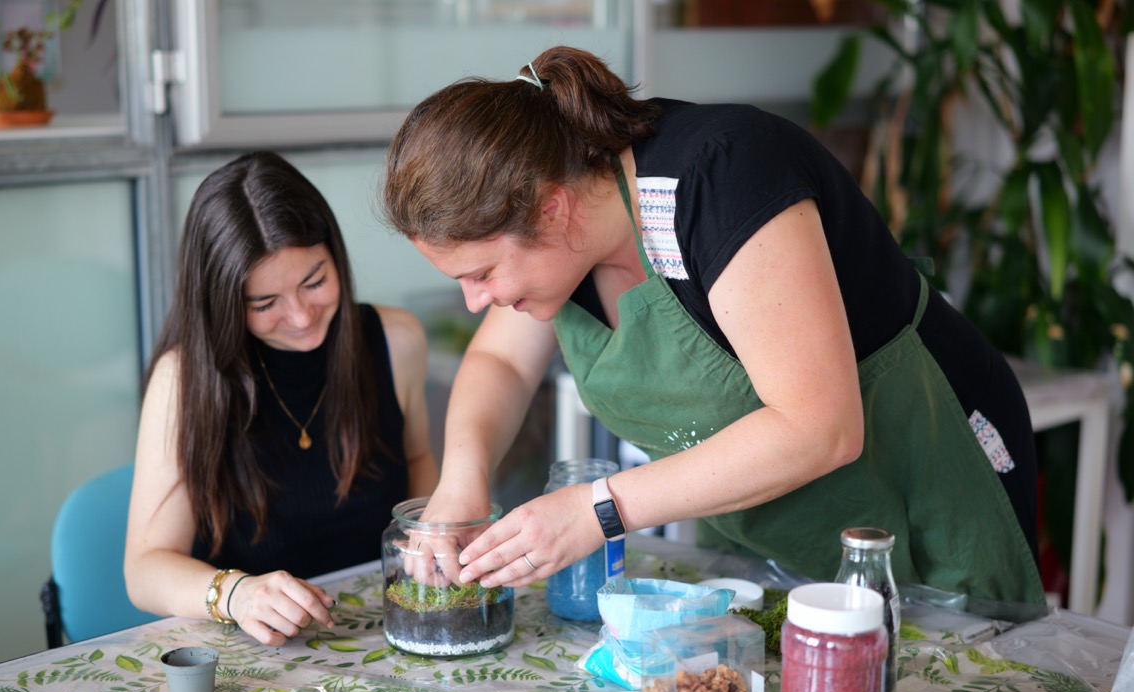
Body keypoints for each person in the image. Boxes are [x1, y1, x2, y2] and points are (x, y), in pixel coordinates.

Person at [382, 46, 1044, 606]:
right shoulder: (564, 235)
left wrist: (599, 508)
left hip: (926, 467)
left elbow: (822, 426)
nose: (477, 302)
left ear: (552, 212)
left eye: (483, 273)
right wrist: (461, 481)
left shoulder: (719, 177)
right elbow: (500, 365)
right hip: (769, 517)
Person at [126, 151, 438, 646]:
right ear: (224, 305)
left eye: (314, 281)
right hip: (256, 647)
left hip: (386, 627)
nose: (300, 316)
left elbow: (418, 458)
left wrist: (428, 534)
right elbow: (145, 570)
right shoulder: (184, 380)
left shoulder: (397, 339)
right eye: (264, 303)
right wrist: (238, 594)